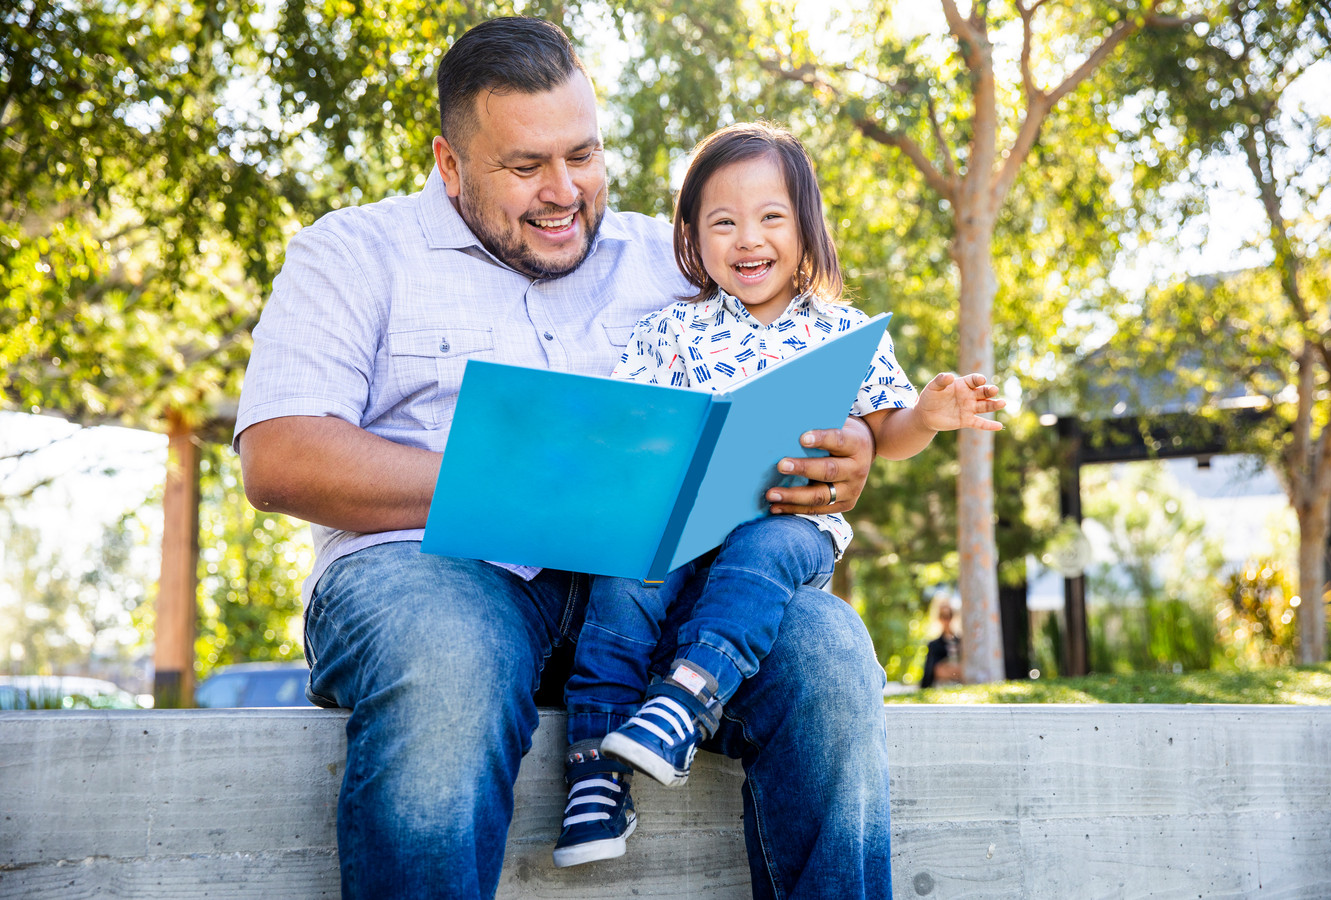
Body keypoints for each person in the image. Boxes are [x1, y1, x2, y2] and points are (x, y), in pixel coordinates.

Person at [236, 16, 893, 899]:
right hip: (432, 572)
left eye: (583, 155)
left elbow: (800, 373)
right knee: (449, 656)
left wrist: (844, 450)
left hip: (656, 590)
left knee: (828, 651)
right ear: (449, 163)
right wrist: (520, 486)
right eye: (525, 167)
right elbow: (279, 460)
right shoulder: (354, 253)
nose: (564, 192)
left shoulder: (681, 260)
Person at [554, 122, 1005, 868]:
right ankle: (595, 771)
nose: (747, 238)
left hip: (788, 521)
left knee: (765, 546)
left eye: (771, 217)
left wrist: (927, 415)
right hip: (683, 523)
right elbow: (627, 426)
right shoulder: (672, 330)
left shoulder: (842, 331)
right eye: (722, 222)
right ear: (693, 239)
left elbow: (882, 434)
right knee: (624, 575)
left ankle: (687, 699)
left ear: (805, 228)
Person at [920, 600, 964, 688]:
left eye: (949, 615)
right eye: (943, 616)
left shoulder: (962, 642)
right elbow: (933, 671)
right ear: (939, 618)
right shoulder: (934, 645)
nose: (947, 620)